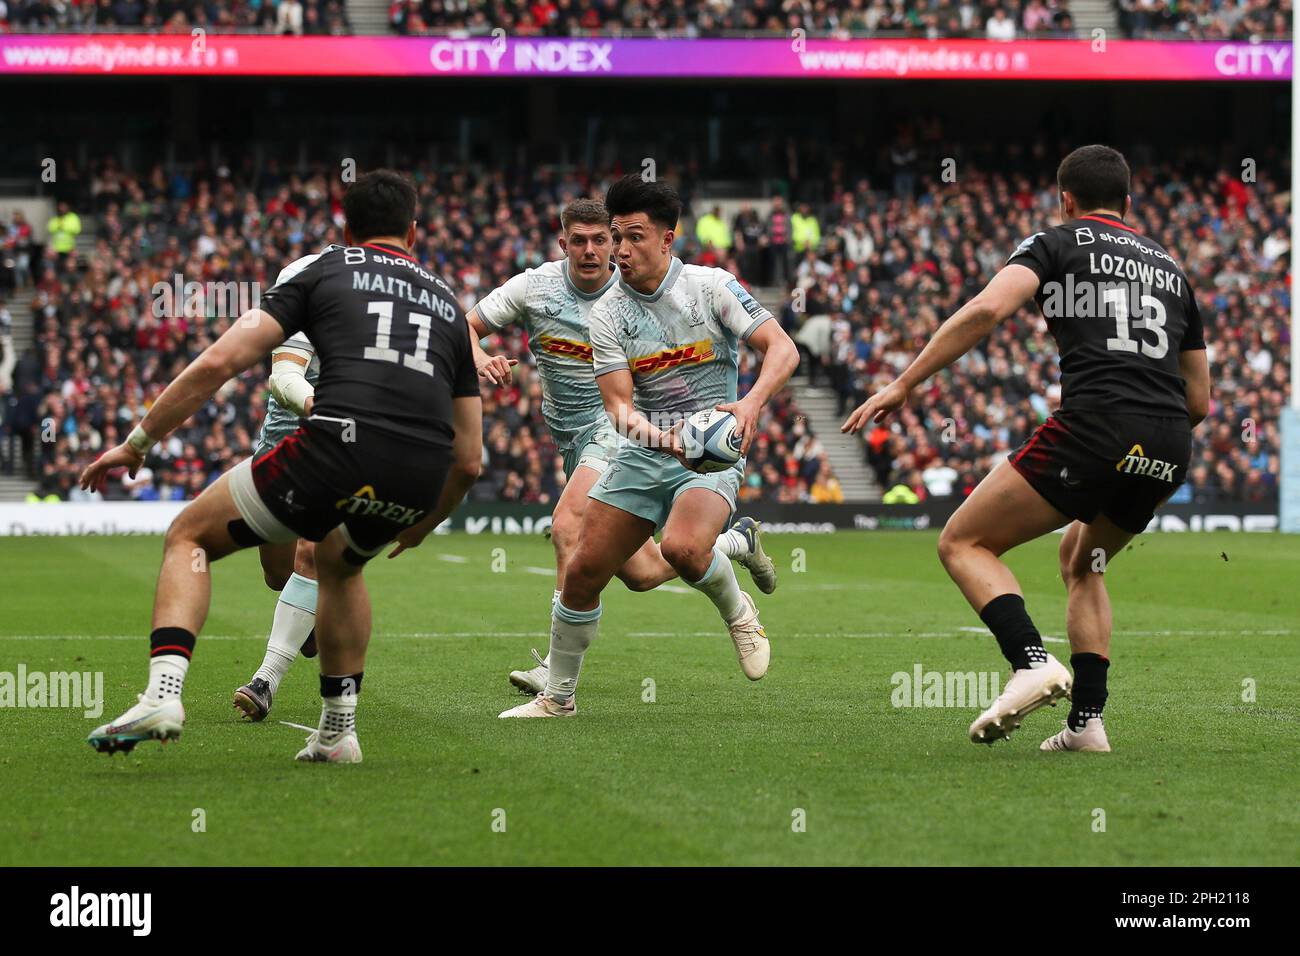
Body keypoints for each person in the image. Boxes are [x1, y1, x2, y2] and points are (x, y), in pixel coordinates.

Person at [80, 170, 484, 764]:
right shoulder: (449, 303)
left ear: (345, 228)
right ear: (414, 233)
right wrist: (424, 523)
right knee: (338, 568)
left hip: (334, 450)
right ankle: (338, 732)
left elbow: (220, 362)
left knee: (189, 536)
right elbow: (471, 458)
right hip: (418, 473)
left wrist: (138, 443)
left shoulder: (323, 269)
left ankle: (162, 695)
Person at [843, 145, 1210, 753]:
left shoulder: (1056, 242)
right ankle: (1087, 724)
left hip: (1097, 423)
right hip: (1170, 440)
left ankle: (1031, 662)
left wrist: (904, 383)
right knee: (1082, 560)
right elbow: (1199, 400)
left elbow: (988, 308)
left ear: (1065, 199)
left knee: (964, 541)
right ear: (1128, 202)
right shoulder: (1172, 269)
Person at [499, 175, 800, 719]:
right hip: (644, 448)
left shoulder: (712, 287)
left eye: (633, 237)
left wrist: (750, 405)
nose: (620, 250)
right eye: (616, 236)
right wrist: (667, 442)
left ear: (667, 238)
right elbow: (618, 409)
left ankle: (740, 615)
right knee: (588, 571)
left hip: (712, 452)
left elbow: (781, 347)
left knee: (684, 550)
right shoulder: (606, 314)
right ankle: (558, 699)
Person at [229, 248, 342, 722]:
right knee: (278, 574)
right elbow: (284, 376)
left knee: (309, 556)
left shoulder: (391, 303)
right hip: (281, 447)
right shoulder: (308, 284)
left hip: (338, 447)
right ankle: (305, 619)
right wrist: (317, 404)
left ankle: (265, 680)